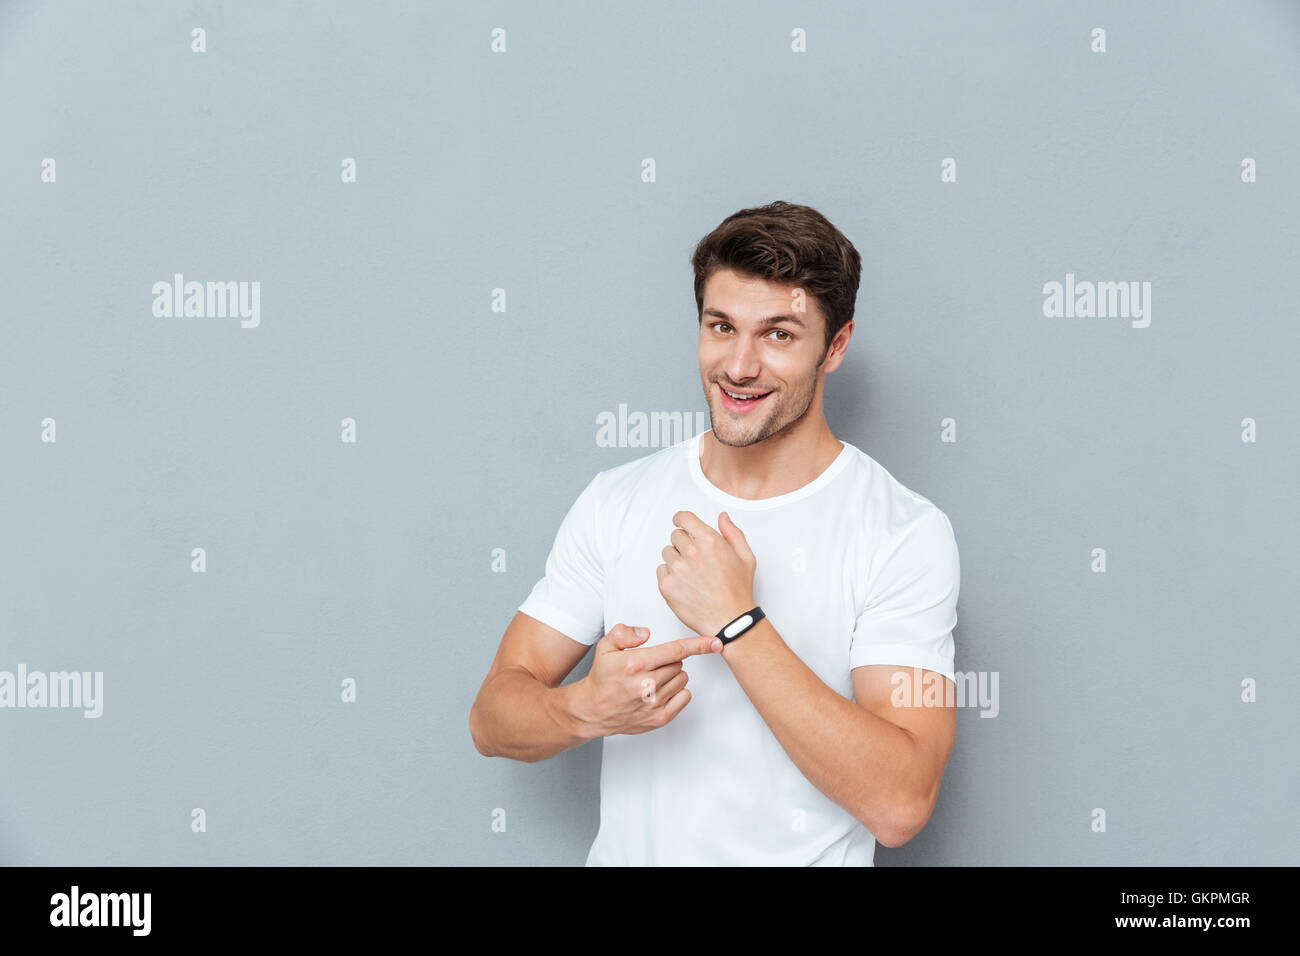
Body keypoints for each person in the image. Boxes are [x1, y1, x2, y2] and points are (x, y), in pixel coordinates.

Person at [469, 200, 960, 866]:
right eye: (721, 326)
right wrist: (587, 707)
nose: (739, 365)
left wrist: (738, 623)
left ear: (835, 346)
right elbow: (493, 717)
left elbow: (901, 803)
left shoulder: (904, 533)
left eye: (779, 334)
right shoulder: (618, 500)